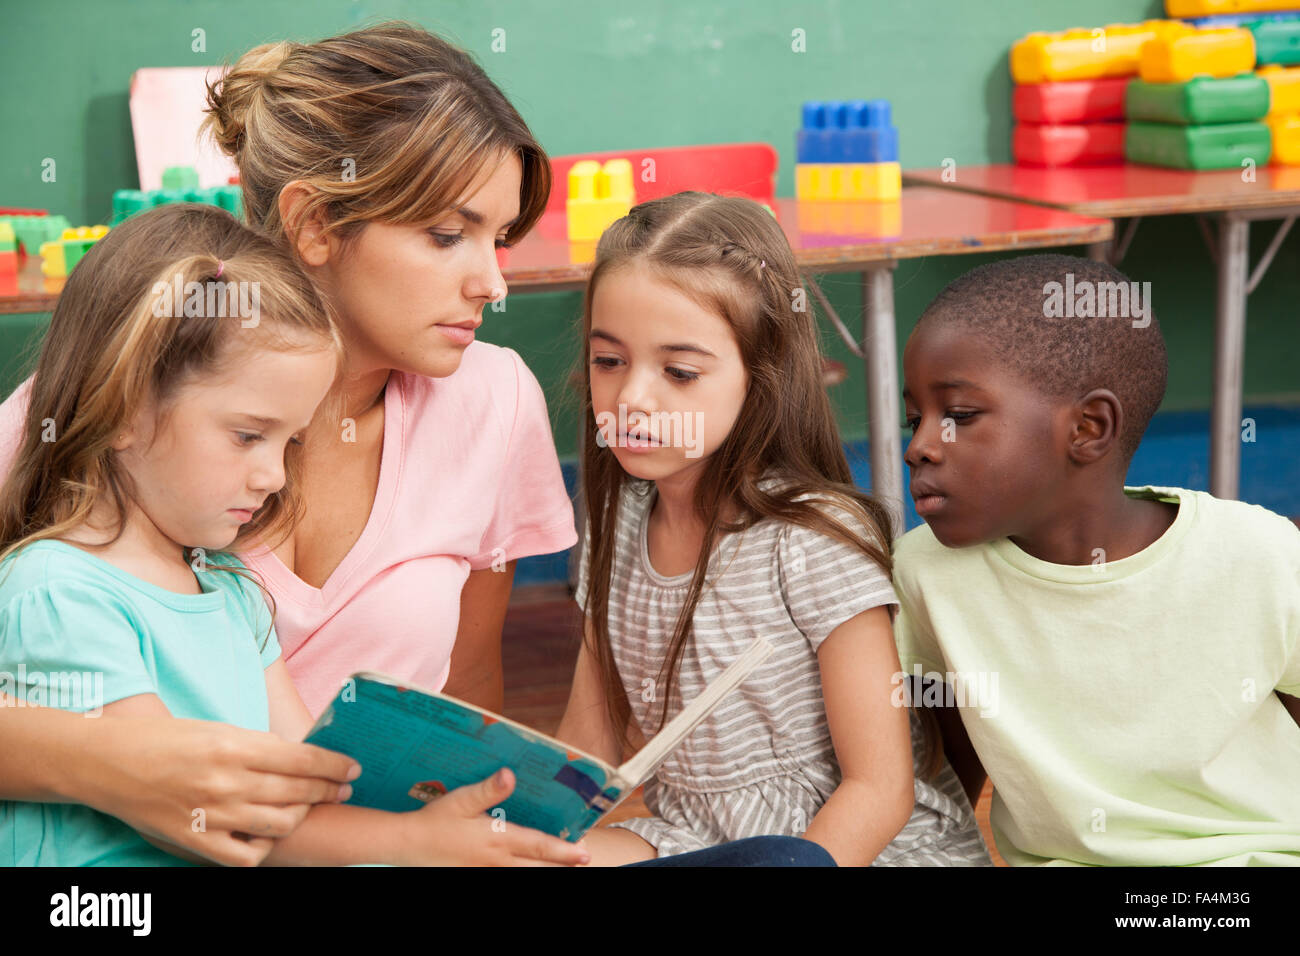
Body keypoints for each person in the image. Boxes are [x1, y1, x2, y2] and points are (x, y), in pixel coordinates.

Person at [0, 22, 578, 864]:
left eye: (501, 239)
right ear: (315, 222)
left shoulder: (494, 400)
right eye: (448, 235)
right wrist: (115, 765)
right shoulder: (111, 399)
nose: (493, 283)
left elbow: (466, 696)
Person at [556, 193, 992, 866]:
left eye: (679, 372)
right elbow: (587, 753)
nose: (632, 398)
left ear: (760, 380)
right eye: (609, 361)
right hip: (697, 839)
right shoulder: (617, 529)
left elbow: (879, 791)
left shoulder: (813, 541)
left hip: (844, 851)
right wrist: (505, 833)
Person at [895, 253, 1300, 866]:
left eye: (959, 416)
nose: (921, 446)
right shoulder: (926, 574)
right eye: (914, 420)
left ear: (1088, 428)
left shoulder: (1257, 554)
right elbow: (947, 780)